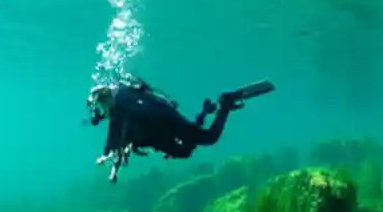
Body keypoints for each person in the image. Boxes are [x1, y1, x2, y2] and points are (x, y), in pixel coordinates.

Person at [86, 77, 273, 182]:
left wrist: (109, 162)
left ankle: (225, 103)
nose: (102, 114)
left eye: (102, 108)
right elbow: (116, 141)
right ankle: (210, 111)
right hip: (164, 129)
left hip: (166, 124)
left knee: (209, 138)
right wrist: (110, 163)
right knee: (187, 149)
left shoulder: (123, 113)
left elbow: (115, 140)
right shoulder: (123, 112)